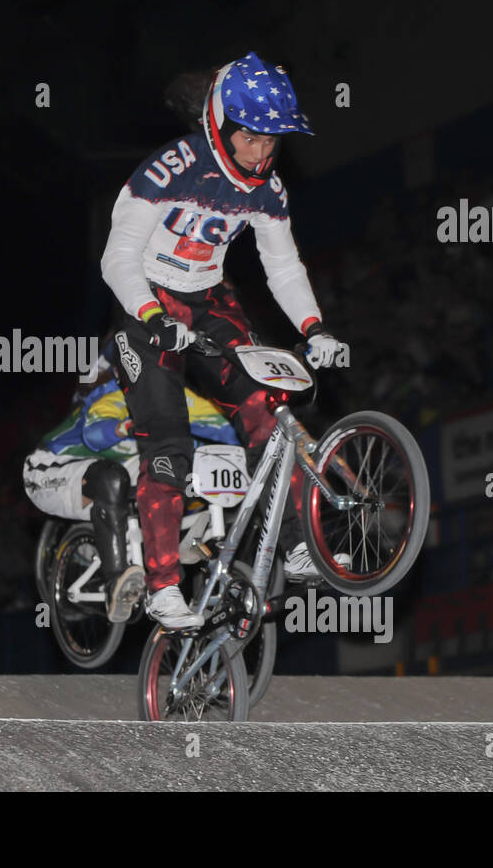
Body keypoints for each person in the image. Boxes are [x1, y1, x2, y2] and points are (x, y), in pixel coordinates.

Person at [100, 52, 348, 630]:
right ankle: (163, 586)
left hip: (211, 300)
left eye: (273, 142)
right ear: (219, 126)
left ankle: (293, 544)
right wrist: (150, 314)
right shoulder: (168, 170)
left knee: (267, 408)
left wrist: (315, 327)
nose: (262, 153)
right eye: (251, 139)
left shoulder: (269, 190)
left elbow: (282, 267)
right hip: (146, 305)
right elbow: (116, 256)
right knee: (166, 440)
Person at [23, 349, 240, 623]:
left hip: (113, 471)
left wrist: (253, 447)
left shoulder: (179, 396)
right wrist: (125, 426)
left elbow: (224, 429)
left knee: (183, 466)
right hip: (48, 471)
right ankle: (115, 582)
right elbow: (94, 435)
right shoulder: (111, 394)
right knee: (112, 478)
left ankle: (176, 542)